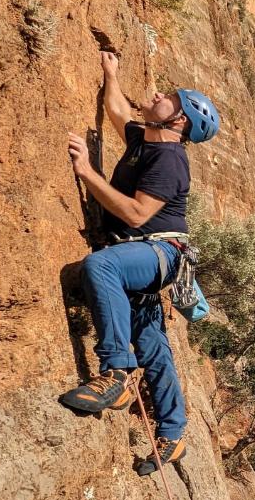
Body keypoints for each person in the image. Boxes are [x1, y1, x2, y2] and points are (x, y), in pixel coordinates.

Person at [59, 50, 220, 475]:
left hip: (160, 253)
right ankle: (174, 431)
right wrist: (110, 72)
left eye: (167, 97)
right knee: (152, 342)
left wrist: (87, 172)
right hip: (142, 252)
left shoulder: (169, 160)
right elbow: (115, 111)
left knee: (102, 267)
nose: (155, 94)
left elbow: (135, 215)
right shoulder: (144, 139)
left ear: (179, 120)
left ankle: (115, 375)